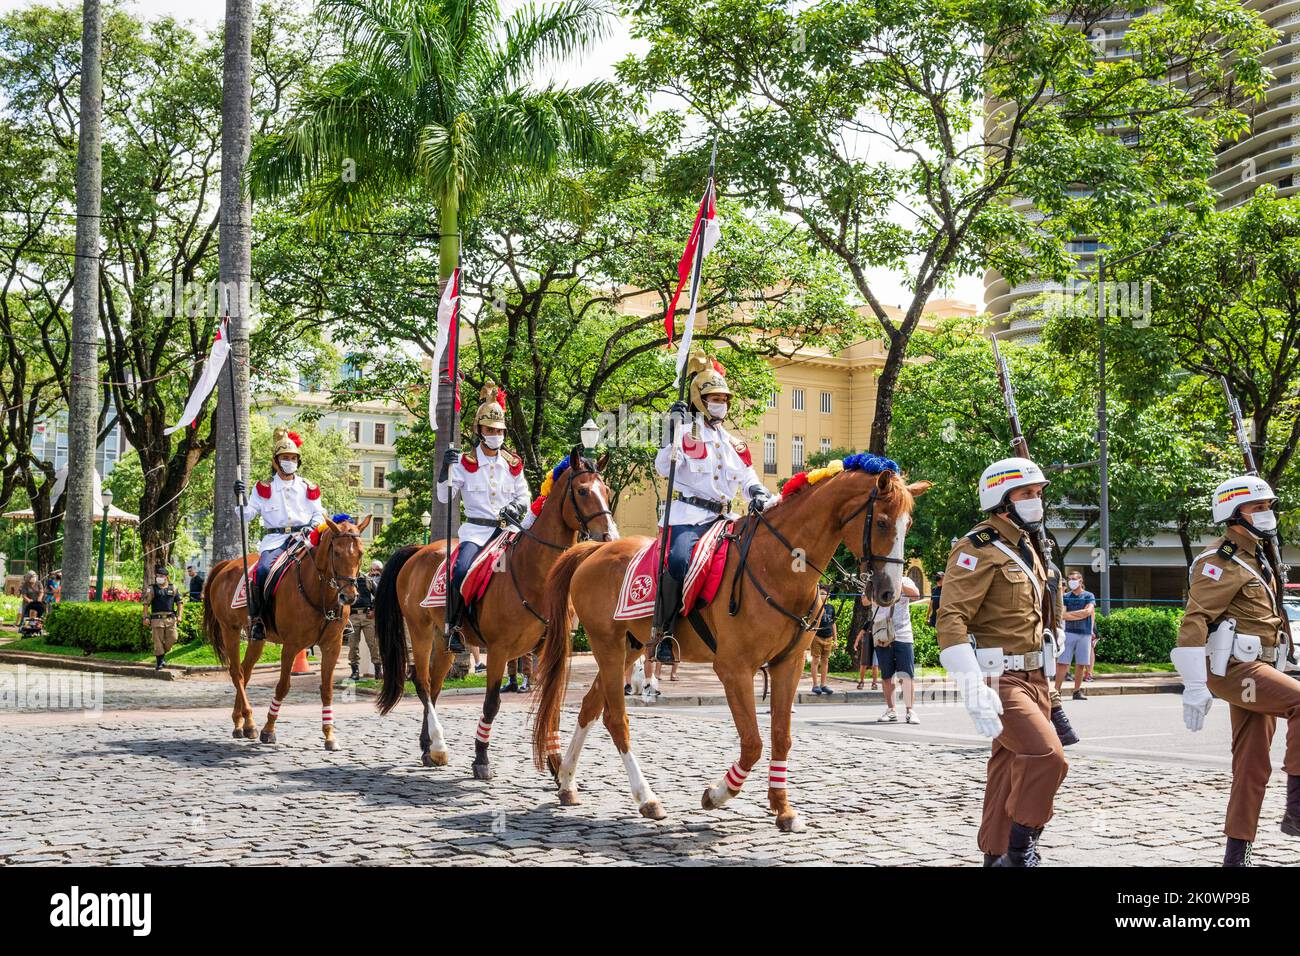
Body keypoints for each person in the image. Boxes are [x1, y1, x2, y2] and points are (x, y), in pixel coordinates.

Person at [937, 456, 1069, 867]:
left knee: (1007, 770)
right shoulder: (975, 548)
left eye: (1038, 493)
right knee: (1048, 757)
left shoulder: (1030, 546)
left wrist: (1057, 628)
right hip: (1000, 679)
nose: (1037, 501)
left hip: (1037, 677)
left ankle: (993, 857)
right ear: (1000, 500)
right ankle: (1020, 849)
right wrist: (972, 686)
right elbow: (951, 619)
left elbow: (1049, 596)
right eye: (1027, 494)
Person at [1171, 474, 1299, 867]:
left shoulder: (1258, 555)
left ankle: (1235, 855)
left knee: (1251, 764)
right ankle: (1298, 806)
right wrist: (1194, 684)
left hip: (1260, 664)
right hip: (1234, 668)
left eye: (1268, 506)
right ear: (1232, 514)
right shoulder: (1218, 561)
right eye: (1258, 507)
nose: (1267, 513)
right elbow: (1195, 620)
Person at [653, 353, 774, 662]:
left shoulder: (734, 444)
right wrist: (670, 431)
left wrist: (757, 492)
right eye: (713, 397)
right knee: (679, 561)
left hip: (724, 517)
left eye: (724, 398)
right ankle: (664, 632)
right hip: (689, 518)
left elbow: (747, 477)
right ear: (700, 399)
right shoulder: (686, 434)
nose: (720, 402)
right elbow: (663, 468)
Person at [437, 382, 533, 654]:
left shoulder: (512, 464)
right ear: (479, 431)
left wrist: (517, 507)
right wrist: (446, 469)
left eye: (499, 431)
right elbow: (445, 497)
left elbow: (524, 494)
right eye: (490, 430)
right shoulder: (464, 462)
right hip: (477, 534)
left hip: (507, 534)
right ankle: (455, 626)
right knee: (460, 571)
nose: (496, 435)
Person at [237, 428, 326, 643]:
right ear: (276, 461)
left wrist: (312, 527)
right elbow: (247, 515)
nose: (290, 461)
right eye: (285, 457)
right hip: (275, 541)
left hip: (304, 538)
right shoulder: (263, 488)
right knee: (263, 570)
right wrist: (240, 497)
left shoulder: (308, 487)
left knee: (329, 563)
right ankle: (258, 620)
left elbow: (319, 513)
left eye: (293, 458)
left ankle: (337, 617)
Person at [875, 577, 921, 723]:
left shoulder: (905, 580)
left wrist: (898, 583)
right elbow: (865, 600)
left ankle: (910, 711)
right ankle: (891, 710)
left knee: (906, 675)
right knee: (887, 675)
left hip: (903, 634)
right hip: (883, 633)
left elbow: (916, 595)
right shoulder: (876, 579)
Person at [1055, 570, 1095, 701]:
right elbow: (1062, 615)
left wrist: (1072, 615)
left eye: (1074, 579)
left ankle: (1077, 691)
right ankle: (1056, 692)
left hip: (1085, 634)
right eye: (1070, 579)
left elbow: (1089, 611)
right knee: (1062, 663)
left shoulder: (1089, 595)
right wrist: (1081, 614)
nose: (1071, 581)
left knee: (1081, 664)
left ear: (1080, 581)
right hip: (1069, 633)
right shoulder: (1066, 596)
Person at [142, 564, 183, 670]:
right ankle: (159, 662)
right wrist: (145, 617)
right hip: (157, 619)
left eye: (161, 576)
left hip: (170, 619)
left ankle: (162, 654)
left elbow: (179, 603)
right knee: (158, 641)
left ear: (166, 577)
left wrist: (180, 616)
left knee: (173, 637)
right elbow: (146, 603)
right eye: (157, 575)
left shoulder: (173, 588)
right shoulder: (152, 589)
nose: (158, 578)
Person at [347, 559, 382, 681]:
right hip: (352, 616)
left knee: (373, 644)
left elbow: (379, 596)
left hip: (368, 616)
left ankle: (378, 671)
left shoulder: (367, 580)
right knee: (353, 645)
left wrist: (374, 610)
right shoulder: (347, 580)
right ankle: (355, 671)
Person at [808, 585, 837, 695]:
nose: (822, 595)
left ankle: (823, 684)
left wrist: (835, 639)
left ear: (828, 595)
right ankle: (815, 685)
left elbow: (833, 624)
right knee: (815, 660)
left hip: (828, 637)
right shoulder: (815, 607)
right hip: (817, 637)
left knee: (825, 661)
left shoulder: (831, 607)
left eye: (824, 593)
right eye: (820, 593)